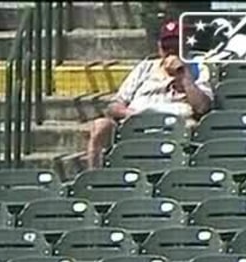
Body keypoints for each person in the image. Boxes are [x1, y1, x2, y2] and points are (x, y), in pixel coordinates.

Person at [85, 19, 213, 171]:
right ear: (159, 47)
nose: (170, 51)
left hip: (175, 126)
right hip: (137, 124)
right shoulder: (145, 67)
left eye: (175, 46)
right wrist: (129, 113)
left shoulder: (197, 67)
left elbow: (203, 107)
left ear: (184, 45)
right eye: (166, 46)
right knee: (100, 125)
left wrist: (183, 75)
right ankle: (95, 180)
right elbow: (114, 105)